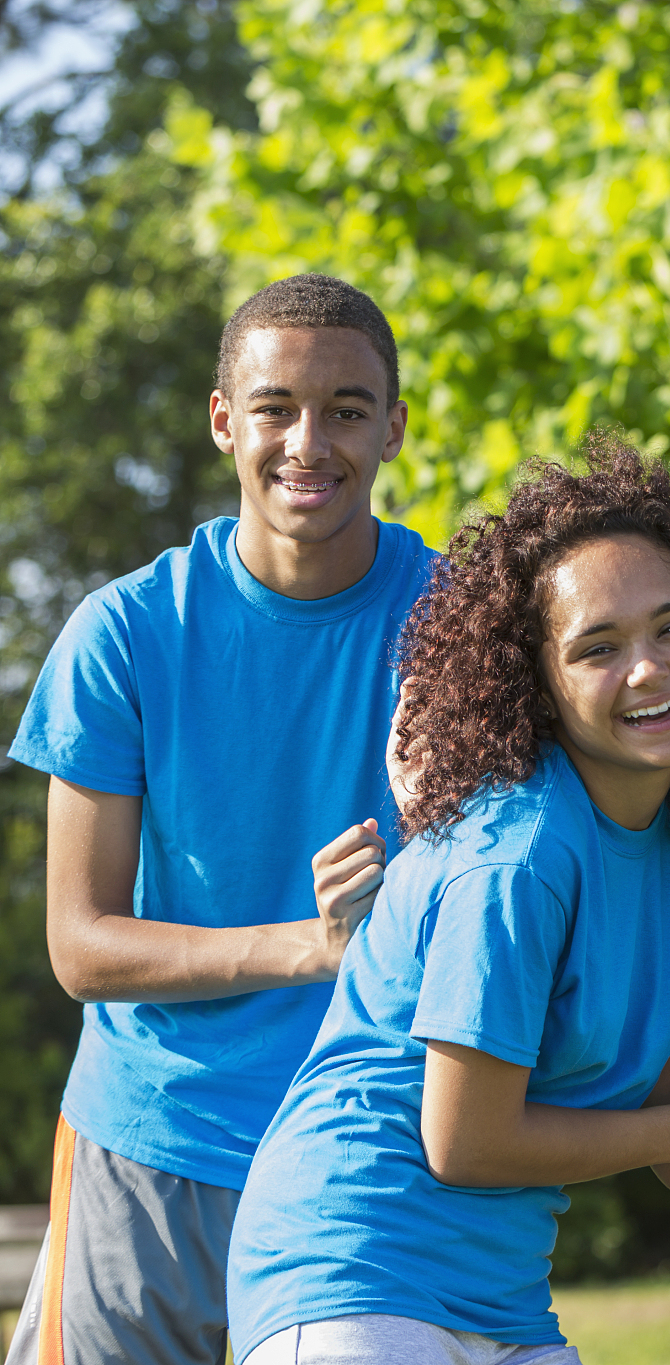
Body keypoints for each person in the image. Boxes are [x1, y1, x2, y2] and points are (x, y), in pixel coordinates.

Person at [225, 437, 670, 1363]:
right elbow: (464, 1140)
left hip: (498, 1298)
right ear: (537, 682)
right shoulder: (519, 855)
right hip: (351, 1268)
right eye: (598, 648)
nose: (648, 669)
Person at [5, 275, 431, 1365]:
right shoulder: (123, 632)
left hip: (369, 1152)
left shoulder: (461, 623)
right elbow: (82, 947)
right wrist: (309, 946)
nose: (308, 443)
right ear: (223, 420)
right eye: (276, 407)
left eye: (345, 410)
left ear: (392, 427)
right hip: (152, 1142)